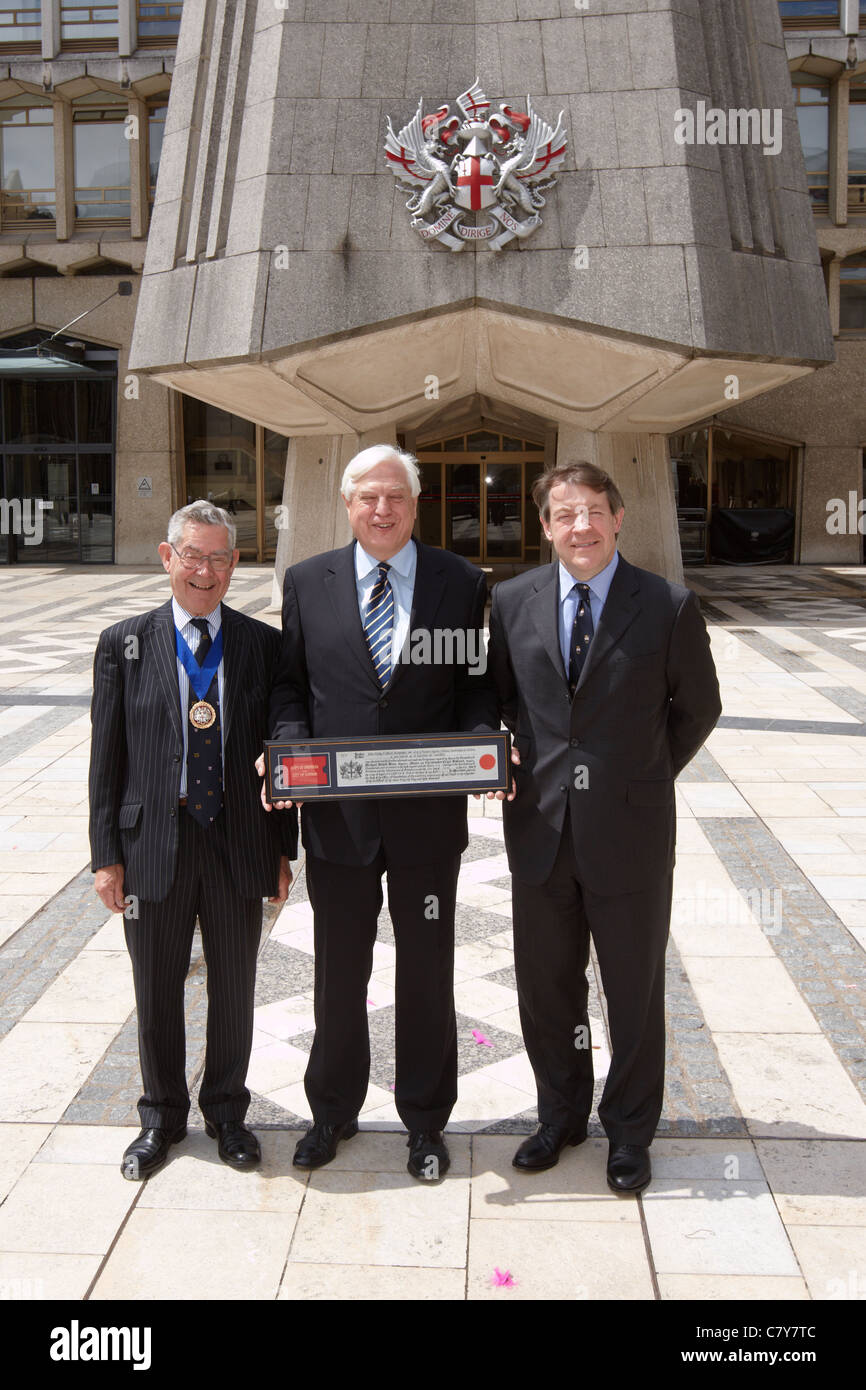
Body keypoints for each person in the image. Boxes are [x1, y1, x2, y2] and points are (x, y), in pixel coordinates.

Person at [265, 445, 498, 1180]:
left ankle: (425, 1122)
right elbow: (289, 688)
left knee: (427, 970)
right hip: (339, 822)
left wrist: (484, 741)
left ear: (416, 502)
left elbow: (477, 686)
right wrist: (295, 753)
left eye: (395, 495)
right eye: (368, 496)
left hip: (428, 820)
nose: (382, 509)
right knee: (338, 970)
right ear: (346, 503)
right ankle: (332, 1112)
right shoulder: (307, 582)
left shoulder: (460, 583)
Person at [487, 462, 721, 1195]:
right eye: (564, 513)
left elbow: (698, 708)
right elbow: (497, 700)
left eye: (593, 510)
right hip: (541, 831)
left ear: (620, 518)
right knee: (546, 989)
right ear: (547, 525)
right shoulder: (510, 600)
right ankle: (560, 1118)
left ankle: (628, 1132)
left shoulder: (668, 604)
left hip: (631, 836)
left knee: (632, 990)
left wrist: (642, 776)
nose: (579, 525)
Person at [89, 501, 297, 1180]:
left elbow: (280, 756)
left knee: (235, 987)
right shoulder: (125, 643)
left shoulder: (262, 646)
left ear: (235, 564)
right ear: (166, 557)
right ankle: (161, 1118)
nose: (203, 571)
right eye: (192, 556)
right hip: (155, 841)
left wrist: (281, 850)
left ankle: (228, 1115)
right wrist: (105, 857)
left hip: (236, 839)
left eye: (218, 558)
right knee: (156, 988)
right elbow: (106, 760)